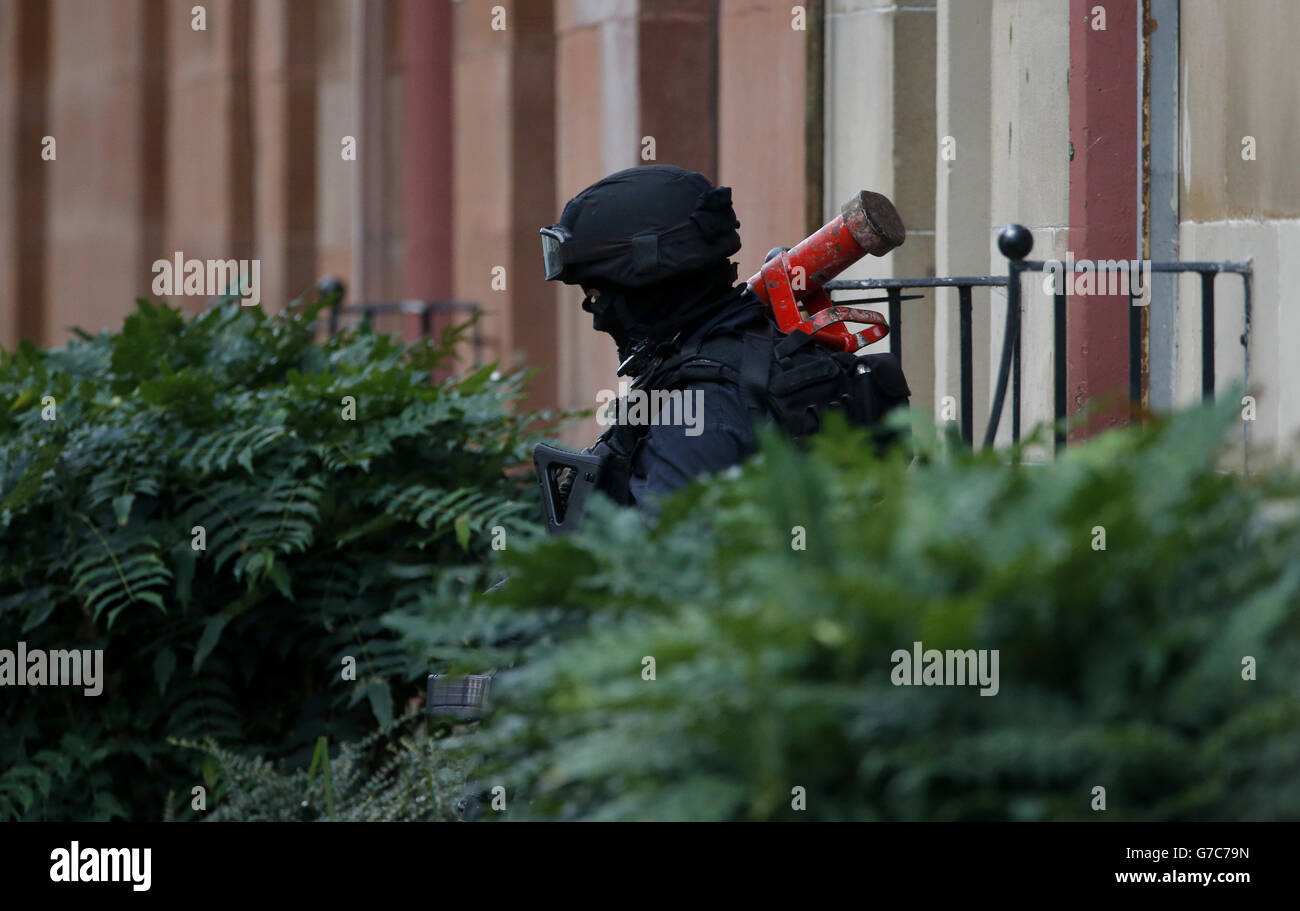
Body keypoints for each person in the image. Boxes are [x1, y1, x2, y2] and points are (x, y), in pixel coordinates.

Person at [539, 164, 777, 514]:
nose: (599, 317)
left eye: (599, 295)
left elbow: (672, 564)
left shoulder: (696, 414)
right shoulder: (758, 343)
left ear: (649, 286)